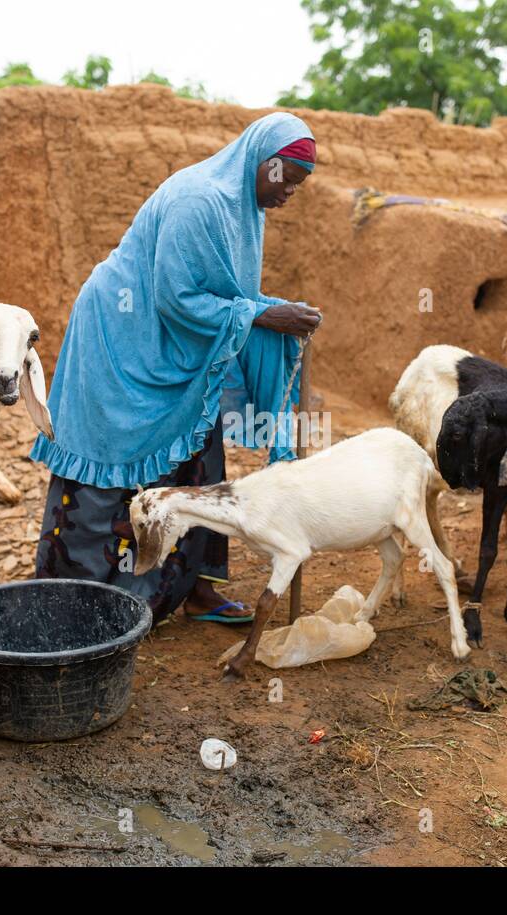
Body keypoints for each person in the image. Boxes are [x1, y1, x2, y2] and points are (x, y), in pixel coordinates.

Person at [30, 112, 322, 625]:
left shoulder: (242, 208)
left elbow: (230, 295)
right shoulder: (200, 200)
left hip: (170, 346)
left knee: (198, 454)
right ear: (265, 163)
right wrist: (262, 314)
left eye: (299, 187)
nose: (289, 195)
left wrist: (269, 312)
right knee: (108, 459)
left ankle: (192, 589)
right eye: (289, 182)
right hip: (122, 340)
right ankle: (70, 600)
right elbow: (176, 298)